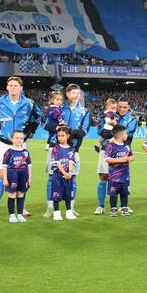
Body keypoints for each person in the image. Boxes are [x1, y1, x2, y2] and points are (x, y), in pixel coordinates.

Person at [0, 77, 41, 221]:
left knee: (22, 174)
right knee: (0, 176)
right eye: (10, 85)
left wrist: (31, 131)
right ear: (7, 87)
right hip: (4, 142)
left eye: (16, 85)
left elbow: (38, 117)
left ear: (21, 88)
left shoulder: (29, 103)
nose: (13, 88)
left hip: (21, 144)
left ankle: (22, 207)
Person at [60, 84, 91, 216]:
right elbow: (51, 126)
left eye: (78, 93)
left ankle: (71, 207)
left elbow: (83, 132)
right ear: (67, 94)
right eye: (73, 92)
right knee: (53, 179)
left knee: (72, 179)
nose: (77, 95)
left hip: (74, 150)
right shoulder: (60, 109)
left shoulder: (85, 111)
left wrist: (68, 132)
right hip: (58, 149)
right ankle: (51, 207)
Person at [40, 87, 66, 218]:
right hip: (55, 143)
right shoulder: (53, 109)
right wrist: (61, 125)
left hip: (63, 144)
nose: (59, 101)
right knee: (51, 176)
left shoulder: (60, 109)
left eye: (61, 99)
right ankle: (50, 206)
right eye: (57, 99)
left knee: (67, 176)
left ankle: (68, 207)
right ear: (52, 100)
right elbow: (49, 125)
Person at [3, 130, 33, 223]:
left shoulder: (26, 152)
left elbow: (29, 166)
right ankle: (12, 215)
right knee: (12, 194)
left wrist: (29, 178)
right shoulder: (9, 152)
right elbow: (4, 166)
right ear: (12, 139)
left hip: (23, 175)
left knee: (21, 194)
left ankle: (19, 214)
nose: (19, 140)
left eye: (21, 138)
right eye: (17, 138)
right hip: (12, 175)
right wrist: (5, 179)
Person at [103, 124, 133, 216]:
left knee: (124, 193)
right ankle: (113, 209)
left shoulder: (127, 146)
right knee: (113, 193)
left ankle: (124, 207)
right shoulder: (111, 146)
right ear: (121, 135)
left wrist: (130, 159)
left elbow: (131, 156)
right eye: (126, 133)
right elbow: (107, 159)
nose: (127, 135)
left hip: (125, 175)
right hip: (114, 176)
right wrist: (122, 159)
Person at [48, 125, 76, 220]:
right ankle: (56, 213)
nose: (60, 137)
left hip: (68, 176)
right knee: (56, 194)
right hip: (58, 175)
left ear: (68, 136)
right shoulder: (56, 148)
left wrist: (70, 172)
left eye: (62, 135)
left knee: (68, 194)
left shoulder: (72, 148)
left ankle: (69, 212)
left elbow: (71, 161)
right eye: (59, 135)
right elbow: (57, 162)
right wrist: (64, 173)